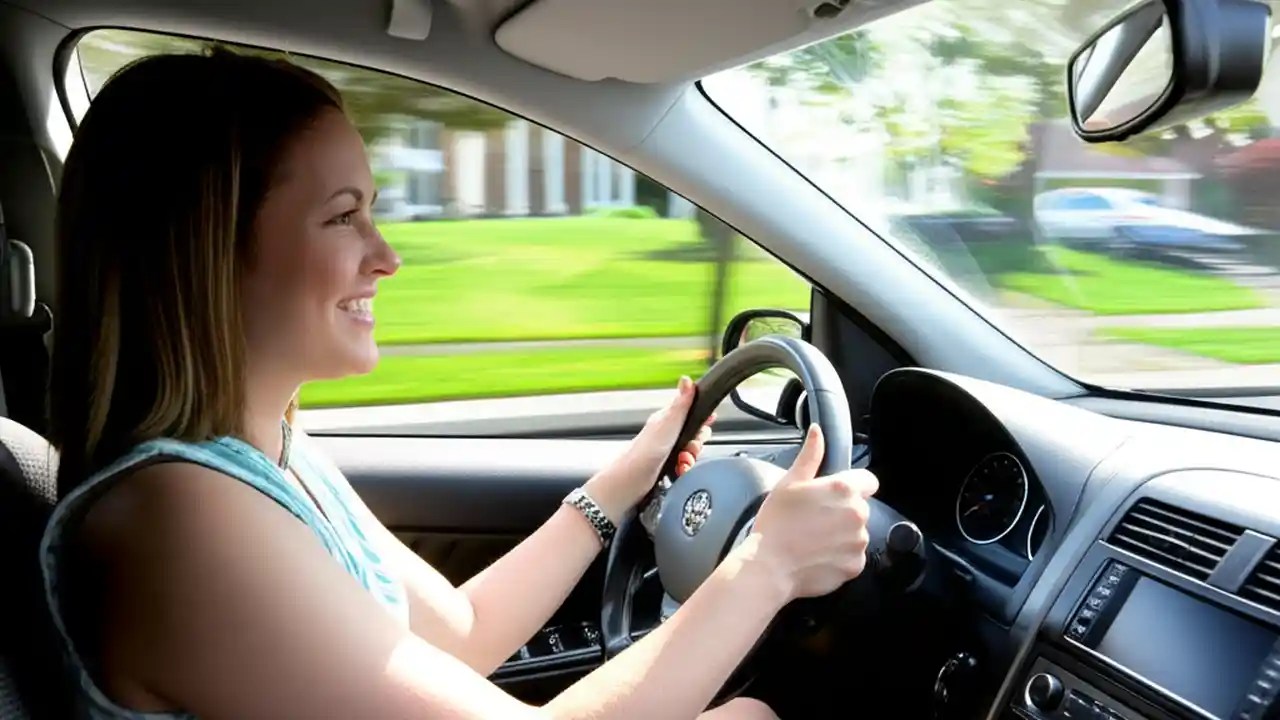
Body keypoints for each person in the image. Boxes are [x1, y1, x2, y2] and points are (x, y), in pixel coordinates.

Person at [40, 47, 879, 719]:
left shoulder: (270, 459)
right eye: (342, 216)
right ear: (207, 254)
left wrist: (624, 483)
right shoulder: (175, 518)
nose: (386, 257)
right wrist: (766, 564)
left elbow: (460, 634)